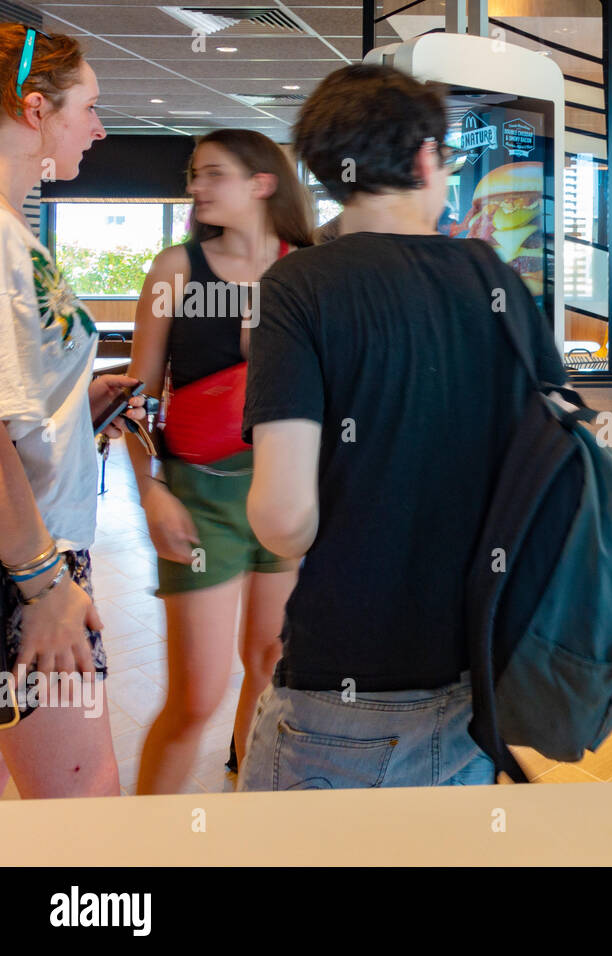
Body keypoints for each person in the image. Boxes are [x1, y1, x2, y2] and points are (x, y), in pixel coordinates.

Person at [237, 63, 567, 791]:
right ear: (423, 159)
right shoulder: (495, 279)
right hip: (484, 672)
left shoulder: (298, 287)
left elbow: (285, 520)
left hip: (346, 687)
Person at [127, 129, 314, 794]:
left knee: (270, 671)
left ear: (262, 183)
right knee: (196, 696)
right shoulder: (174, 269)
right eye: (194, 175)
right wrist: (152, 491)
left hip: (285, 494)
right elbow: (138, 395)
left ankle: (250, 817)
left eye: (212, 174)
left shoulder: (308, 266)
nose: (196, 187)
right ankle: (138, 847)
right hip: (200, 494)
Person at [0, 24, 146, 798]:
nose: (99, 128)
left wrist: (77, 409)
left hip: (33, 556)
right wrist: (45, 586)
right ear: (35, 109)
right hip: (26, 566)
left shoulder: (14, 228)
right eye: (87, 107)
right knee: (85, 801)